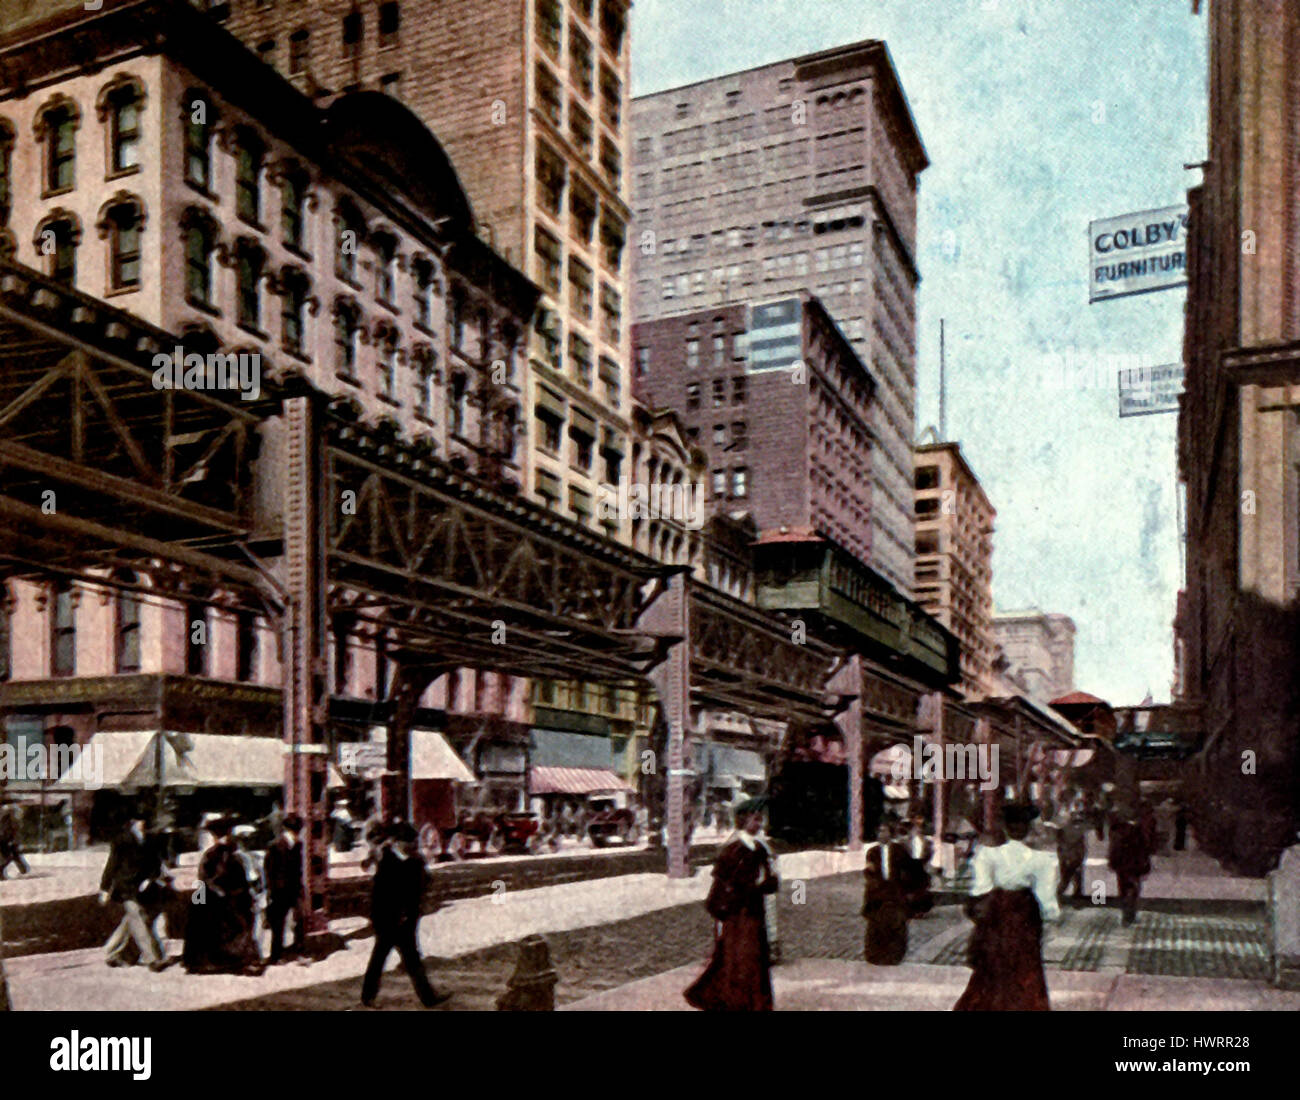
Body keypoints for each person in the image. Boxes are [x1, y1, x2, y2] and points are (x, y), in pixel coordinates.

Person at [954, 803, 1060, 1012]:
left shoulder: (988, 855)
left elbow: (980, 889)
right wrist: (1050, 919)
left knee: (994, 961)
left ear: (1005, 828)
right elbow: (1045, 896)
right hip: (1025, 912)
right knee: (1025, 963)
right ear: (1028, 829)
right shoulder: (1042, 860)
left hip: (998, 911)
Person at [684, 796, 779, 1011]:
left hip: (755, 914)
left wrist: (767, 882)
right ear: (744, 821)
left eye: (760, 819)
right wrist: (722, 915)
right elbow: (720, 887)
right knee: (739, 961)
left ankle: (754, 1004)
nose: (759, 824)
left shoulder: (760, 848)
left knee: (753, 961)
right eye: (756, 819)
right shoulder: (733, 850)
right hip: (738, 916)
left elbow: (771, 881)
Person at [361, 822, 449, 1008]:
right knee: (379, 958)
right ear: (397, 843)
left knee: (413, 961)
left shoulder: (416, 861)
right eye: (409, 843)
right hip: (387, 921)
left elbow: (427, 882)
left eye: (414, 842)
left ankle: (429, 998)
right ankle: (368, 997)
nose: (412, 846)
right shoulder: (385, 860)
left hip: (408, 920)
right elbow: (378, 894)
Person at [184, 817, 262, 975]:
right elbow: (207, 880)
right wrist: (220, 892)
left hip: (231, 898)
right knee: (232, 930)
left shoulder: (228, 854)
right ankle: (235, 962)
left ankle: (239, 961)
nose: (226, 838)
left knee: (238, 929)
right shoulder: (217, 855)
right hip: (221, 900)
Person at [99, 813, 168, 971]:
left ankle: (112, 952)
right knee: (138, 918)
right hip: (125, 887)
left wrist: (150, 879)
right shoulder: (121, 840)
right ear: (132, 823)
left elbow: (155, 863)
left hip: (143, 887)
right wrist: (104, 889)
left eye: (144, 821)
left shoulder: (150, 840)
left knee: (131, 920)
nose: (141, 824)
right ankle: (152, 959)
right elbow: (112, 865)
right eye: (138, 821)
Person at [862, 820, 911, 965]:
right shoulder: (872, 852)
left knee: (896, 926)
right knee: (877, 926)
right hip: (878, 894)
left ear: (890, 834)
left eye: (884, 831)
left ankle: (894, 956)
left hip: (896, 893)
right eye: (879, 831)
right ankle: (876, 955)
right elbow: (869, 872)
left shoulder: (900, 850)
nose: (881, 834)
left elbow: (907, 871)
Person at [263, 812, 305, 964]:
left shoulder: (299, 845)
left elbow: (299, 869)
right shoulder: (275, 846)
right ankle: (276, 955)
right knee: (278, 924)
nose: (296, 834)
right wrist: (271, 890)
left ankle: (299, 950)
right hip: (279, 891)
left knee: (300, 919)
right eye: (294, 831)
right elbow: (268, 870)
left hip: (294, 889)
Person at [1108, 806, 1151, 926]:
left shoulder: (1117, 831)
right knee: (1134, 888)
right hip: (1135, 864)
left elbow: (1114, 849)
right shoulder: (1138, 831)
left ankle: (1126, 913)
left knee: (1123, 888)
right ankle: (1131, 912)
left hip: (1122, 864)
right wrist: (1146, 865)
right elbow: (1144, 849)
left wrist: (1112, 862)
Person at [233, 825, 267, 963]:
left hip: (255, 894)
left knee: (256, 926)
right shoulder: (239, 858)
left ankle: (254, 954)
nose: (246, 842)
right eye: (243, 839)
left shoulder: (254, 856)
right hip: (246, 895)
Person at [1054, 810, 1088, 904]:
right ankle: (1059, 894)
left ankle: (1076, 894)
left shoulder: (1077, 829)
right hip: (1068, 855)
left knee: (1073, 875)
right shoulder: (1066, 828)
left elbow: (1081, 844)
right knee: (1067, 876)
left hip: (1073, 855)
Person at [0, 801, 29, 879]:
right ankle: (23, 870)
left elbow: (12, 828)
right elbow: (10, 828)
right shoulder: (7, 814)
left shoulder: (7, 813)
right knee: (9, 856)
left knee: (11, 854)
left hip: (6, 838)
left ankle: (23, 870)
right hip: (5, 838)